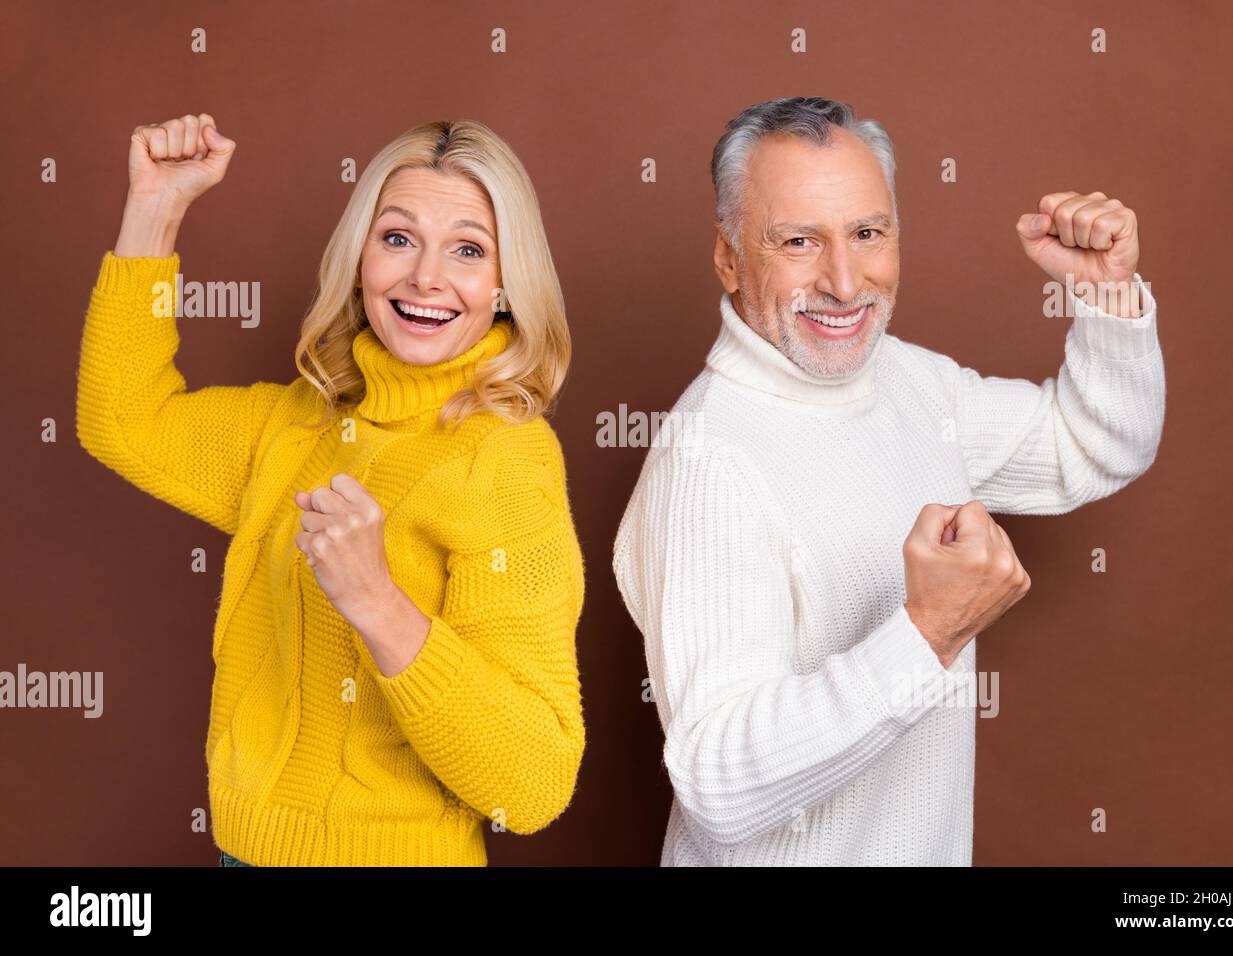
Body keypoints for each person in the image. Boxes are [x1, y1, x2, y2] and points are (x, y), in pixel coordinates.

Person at [612, 96, 1165, 866]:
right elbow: (720, 785)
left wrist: (1105, 295)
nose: (845, 281)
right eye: (798, 241)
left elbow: (1098, 446)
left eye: (868, 233)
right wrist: (926, 634)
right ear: (730, 257)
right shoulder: (710, 459)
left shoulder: (909, 381)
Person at [77, 114, 586, 866]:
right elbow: (121, 421)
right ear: (359, 260)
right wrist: (157, 207)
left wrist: (376, 599)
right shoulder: (295, 426)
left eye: (469, 250)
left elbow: (535, 783)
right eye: (398, 237)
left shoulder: (505, 463)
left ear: (507, 287)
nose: (425, 277)